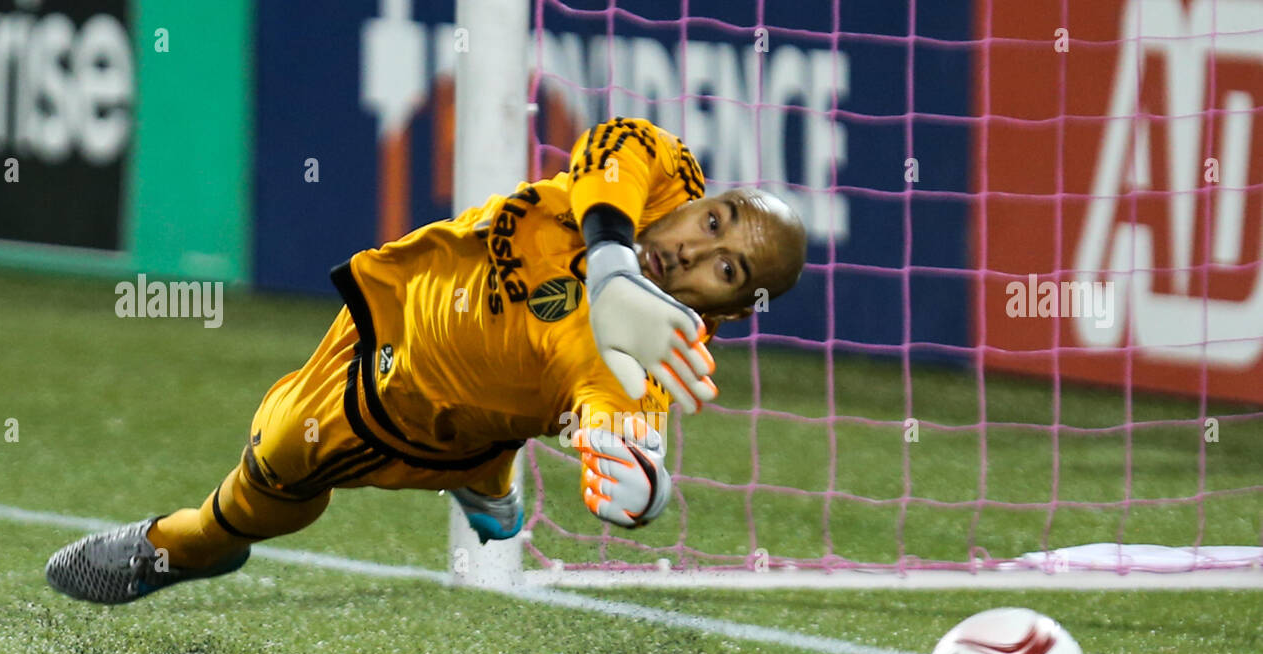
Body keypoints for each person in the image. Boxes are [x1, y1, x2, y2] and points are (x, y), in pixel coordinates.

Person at [45, 117, 807, 604]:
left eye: (726, 270)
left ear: (730, 311)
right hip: (403, 295)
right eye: (715, 220)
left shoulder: (639, 362)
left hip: (399, 407)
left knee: (272, 463)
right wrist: (609, 260)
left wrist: (640, 485)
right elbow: (623, 147)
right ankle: (487, 477)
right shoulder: (659, 172)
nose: (692, 247)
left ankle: (186, 547)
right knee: (485, 418)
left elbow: (625, 435)